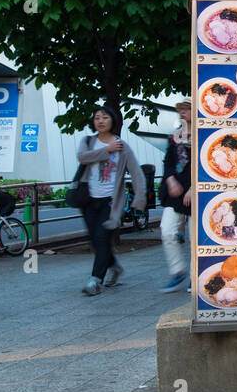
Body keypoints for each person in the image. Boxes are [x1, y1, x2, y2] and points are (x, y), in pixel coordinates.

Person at [76, 106, 146, 296]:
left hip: (111, 201)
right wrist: (107, 150)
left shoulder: (122, 147)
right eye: (97, 117)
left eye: (105, 117)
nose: (100, 121)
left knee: (101, 237)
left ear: (112, 121)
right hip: (89, 199)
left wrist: (139, 199)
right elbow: (82, 158)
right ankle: (114, 266)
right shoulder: (88, 141)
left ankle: (94, 280)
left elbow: (136, 173)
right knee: (96, 240)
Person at [159, 100, 193, 293]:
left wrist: (195, 187)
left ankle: (195, 275)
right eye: (180, 109)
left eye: (186, 108)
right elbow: (167, 162)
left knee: (194, 237)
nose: (182, 112)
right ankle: (177, 271)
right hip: (175, 193)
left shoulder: (206, 134)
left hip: (197, 191)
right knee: (167, 231)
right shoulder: (174, 137)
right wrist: (170, 179)